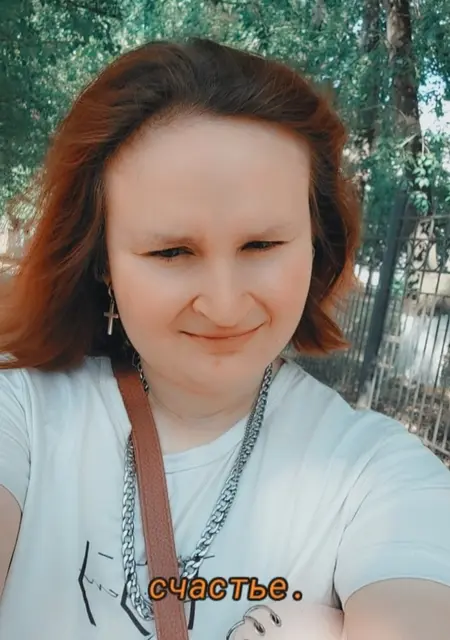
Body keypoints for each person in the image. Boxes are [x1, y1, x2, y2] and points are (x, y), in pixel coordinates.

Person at [0, 37, 449, 640]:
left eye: (261, 245)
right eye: (171, 252)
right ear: (102, 260)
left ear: (316, 245)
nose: (224, 304)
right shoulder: (21, 411)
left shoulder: (379, 475)